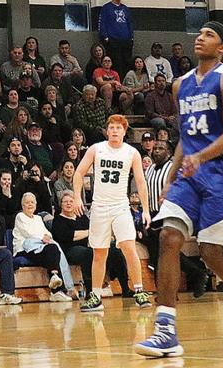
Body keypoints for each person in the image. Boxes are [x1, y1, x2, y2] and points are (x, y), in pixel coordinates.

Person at [136, 21, 223, 358]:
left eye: (209, 35)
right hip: (189, 170)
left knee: (212, 252)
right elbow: (184, 134)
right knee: (168, 237)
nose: (200, 37)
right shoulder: (180, 85)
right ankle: (165, 330)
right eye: (199, 33)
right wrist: (170, 177)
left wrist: (201, 157)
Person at [73, 114, 151, 312]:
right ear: (107, 131)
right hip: (99, 207)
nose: (115, 130)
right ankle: (96, 296)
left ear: (125, 132)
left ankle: (140, 291)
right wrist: (76, 197)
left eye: (118, 127)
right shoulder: (96, 149)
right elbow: (79, 173)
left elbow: (141, 182)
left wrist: (146, 209)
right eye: (112, 127)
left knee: (128, 247)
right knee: (99, 253)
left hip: (120, 207)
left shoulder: (132, 152)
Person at [12, 192, 73, 301]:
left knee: (53, 248)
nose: (30, 205)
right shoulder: (20, 216)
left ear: (35, 205)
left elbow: (47, 233)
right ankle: (58, 290)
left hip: (40, 247)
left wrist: (46, 237)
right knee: (51, 251)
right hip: (25, 248)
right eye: (27, 203)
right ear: (23, 206)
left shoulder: (38, 218)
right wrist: (42, 238)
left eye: (32, 202)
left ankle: (55, 280)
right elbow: (28, 233)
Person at [98, 0, 134, 75]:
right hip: (113, 40)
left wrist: (131, 37)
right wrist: (105, 37)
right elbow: (102, 23)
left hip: (126, 41)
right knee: (116, 63)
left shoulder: (125, 9)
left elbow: (130, 23)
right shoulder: (106, 8)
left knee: (127, 63)